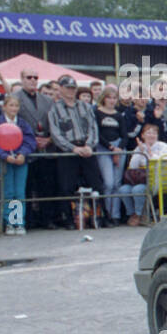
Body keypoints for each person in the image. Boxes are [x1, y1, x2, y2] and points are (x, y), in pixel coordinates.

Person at [48, 74, 104, 228]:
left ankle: (98, 217)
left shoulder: (85, 106)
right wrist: (72, 148)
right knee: (66, 187)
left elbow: (93, 127)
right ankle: (68, 219)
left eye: (73, 88)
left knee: (97, 184)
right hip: (68, 151)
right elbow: (55, 133)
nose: (71, 91)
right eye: (67, 88)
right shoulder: (55, 109)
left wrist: (89, 145)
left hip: (87, 148)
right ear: (60, 89)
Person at [15, 68, 60, 228]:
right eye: (29, 77)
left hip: (46, 149)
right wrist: (31, 139)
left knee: (47, 186)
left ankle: (47, 219)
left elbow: (55, 124)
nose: (33, 80)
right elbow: (13, 124)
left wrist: (49, 139)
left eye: (35, 77)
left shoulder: (47, 100)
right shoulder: (14, 98)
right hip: (25, 149)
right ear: (22, 79)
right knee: (25, 187)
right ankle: (26, 219)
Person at [0, 93, 36, 235]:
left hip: (21, 161)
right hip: (4, 161)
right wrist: (4, 155)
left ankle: (19, 222)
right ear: (4, 107)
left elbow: (29, 140)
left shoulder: (22, 123)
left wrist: (23, 153)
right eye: (11, 105)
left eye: (16, 106)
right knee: (8, 192)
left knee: (19, 192)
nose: (14, 108)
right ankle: (9, 222)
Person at [110, 123, 167, 226]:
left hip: (155, 180)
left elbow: (161, 162)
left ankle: (138, 214)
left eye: (154, 133)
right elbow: (132, 166)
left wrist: (149, 153)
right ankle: (132, 213)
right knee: (123, 190)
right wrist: (140, 152)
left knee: (137, 190)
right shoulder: (139, 148)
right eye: (148, 133)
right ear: (143, 135)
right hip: (140, 178)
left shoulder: (163, 146)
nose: (151, 135)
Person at [94, 88, 127, 220]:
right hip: (103, 148)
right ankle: (107, 212)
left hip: (119, 148)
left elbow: (125, 135)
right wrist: (110, 147)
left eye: (114, 98)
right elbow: (97, 134)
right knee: (108, 183)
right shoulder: (96, 113)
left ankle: (115, 215)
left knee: (117, 184)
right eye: (109, 97)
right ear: (104, 98)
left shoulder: (119, 115)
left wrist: (119, 148)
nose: (112, 100)